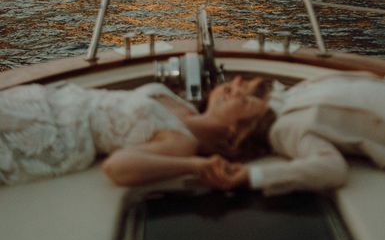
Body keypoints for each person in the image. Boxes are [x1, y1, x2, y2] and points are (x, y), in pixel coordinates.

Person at [198, 69, 385, 195]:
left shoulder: (289, 95)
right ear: (233, 132)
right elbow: (330, 168)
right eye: (226, 95)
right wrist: (254, 176)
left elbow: (354, 96)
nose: (235, 83)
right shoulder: (286, 131)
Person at [0, 80, 267, 187]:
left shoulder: (181, 143)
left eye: (243, 101)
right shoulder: (178, 102)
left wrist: (195, 165)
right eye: (237, 89)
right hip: (46, 100)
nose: (235, 88)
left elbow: (117, 167)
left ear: (234, 133)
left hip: (55, 131)